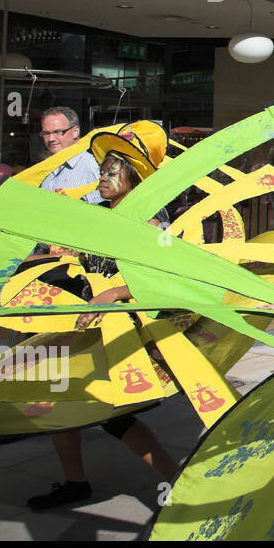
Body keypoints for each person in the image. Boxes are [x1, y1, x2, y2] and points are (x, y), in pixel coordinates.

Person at [28, 124, 179, 510]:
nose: (102, 178)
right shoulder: (97, 214)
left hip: (122, 329)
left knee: (114, 415)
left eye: (111, 171)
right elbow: (71, 253)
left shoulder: (148, 222)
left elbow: (161, 278)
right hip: (85, 322)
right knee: (61, 398)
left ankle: (179, 482)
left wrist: (113, 293)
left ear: (132, 176)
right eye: (101, 171)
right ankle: (76, 482)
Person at [37, 106, 103, 204]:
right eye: (46, 133)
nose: (51, 139)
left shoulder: (90, 166)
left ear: (75, 131)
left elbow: (102, 209)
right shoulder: (46, 168)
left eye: (58, 132)